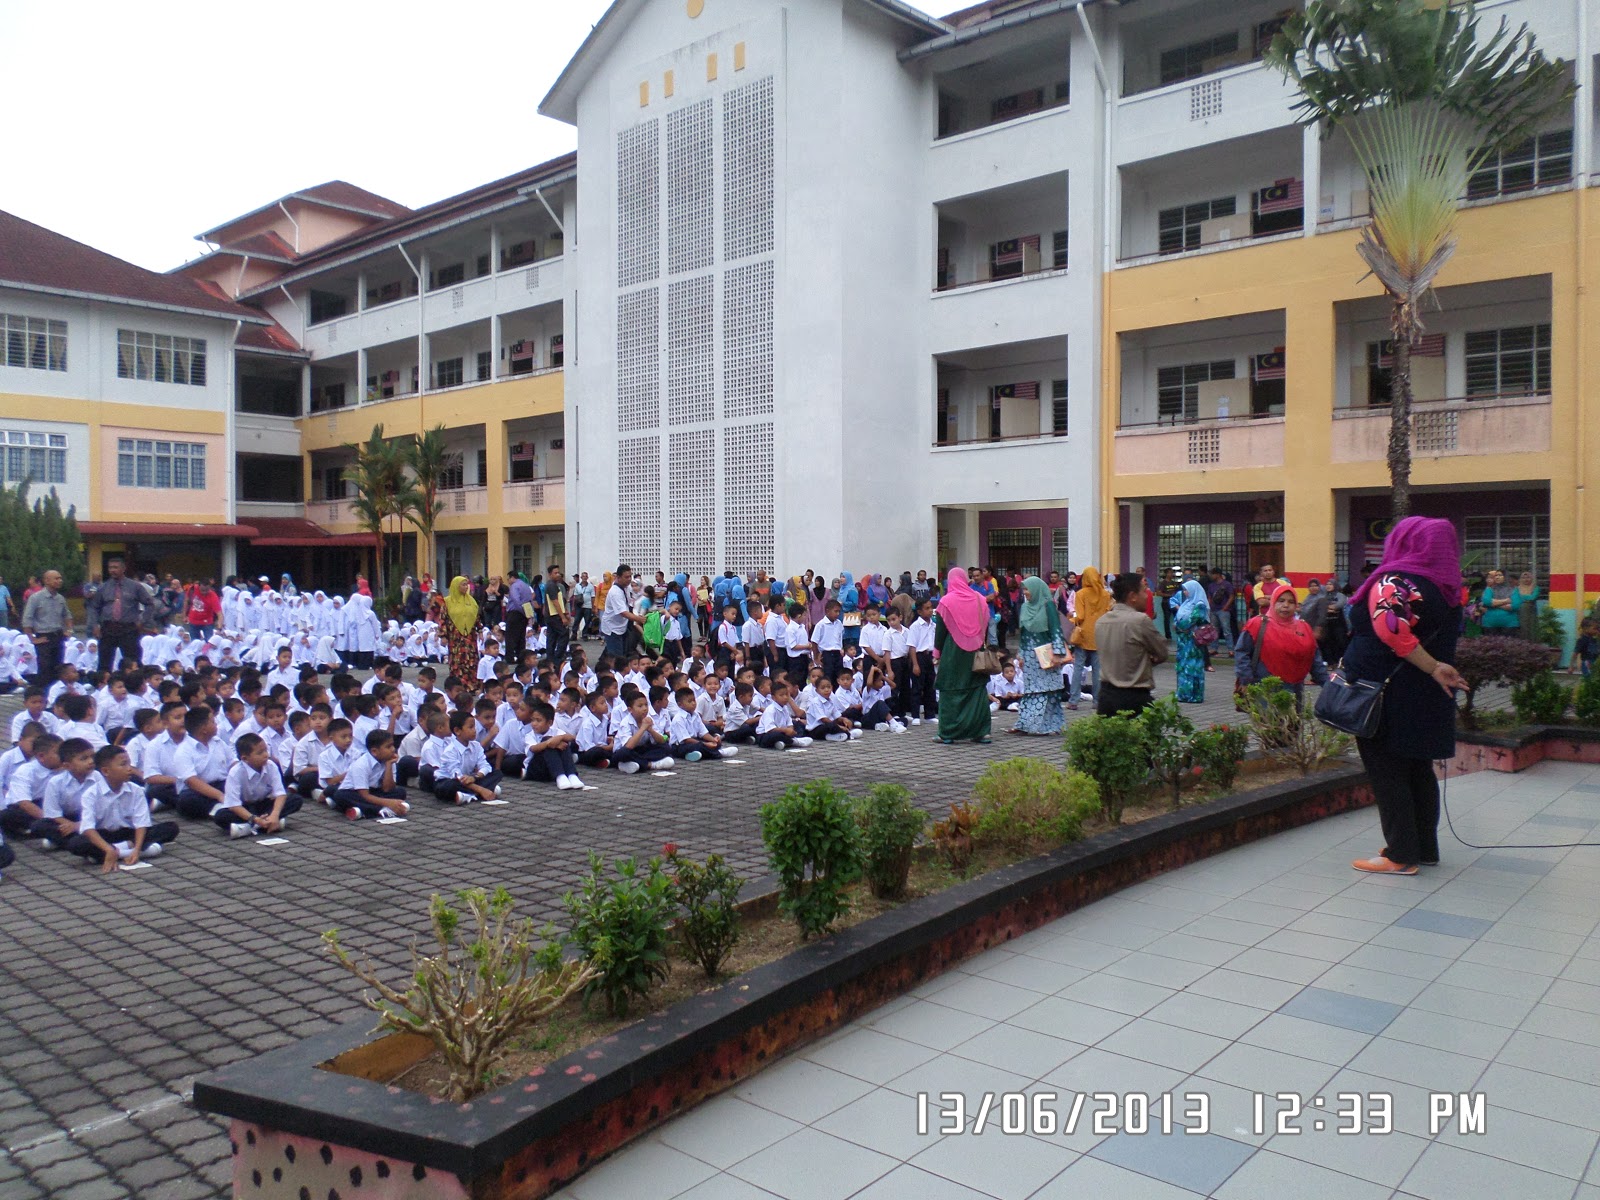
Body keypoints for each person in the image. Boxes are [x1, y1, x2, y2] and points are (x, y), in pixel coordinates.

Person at [1343, 516, 1469, 876]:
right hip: (1427, 696)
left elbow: (1391, 627)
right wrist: (1432, 670)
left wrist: (1430, 666)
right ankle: (1424, 848)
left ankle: (1400, 854)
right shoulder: (1447, 589)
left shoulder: (1395, 580)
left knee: (1388, 771)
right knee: (1418, 769)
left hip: (1387, 695)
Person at [1234, 581, 1331, 703]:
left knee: (1292, 721)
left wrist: (1328, 686)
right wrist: (1246, 679)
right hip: (1265, 687)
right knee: (1269, 721)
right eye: (1281, 601)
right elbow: (1242, 652)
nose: (1286, 605)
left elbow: (1314, 658)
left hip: (1295, 688)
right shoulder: (1257, 624)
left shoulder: (1304, 628)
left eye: (1291, 602)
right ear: (1273, 602)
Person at [1096, 573, 1170, 718]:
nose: (1147, 595)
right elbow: (1162, 652)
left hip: (1106, 696)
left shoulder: (1101, 621)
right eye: (1143, 591)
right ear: (1132, 596)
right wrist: (1146, 659)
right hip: (1134, 696)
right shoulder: (1140, 620)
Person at [933, 567, 992, 745]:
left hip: (953, 652)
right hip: (976, 651)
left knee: (950, 689)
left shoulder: (946, 602)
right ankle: (981, 733)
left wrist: (937, 653)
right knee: (976, 690)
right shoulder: (979, 599)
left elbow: (941, 631)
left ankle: (948, 733)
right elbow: (986, 624)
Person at [1012, 576, 1070, 736]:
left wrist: (1059, 653)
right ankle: (1027, 723)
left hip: (1046, 653)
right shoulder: (1025, 607)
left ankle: (1048, 725)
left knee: (1047, 690)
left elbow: (1055, 629)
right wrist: (1021, 654)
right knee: (1031, 690)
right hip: (1030, 655)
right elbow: (1023, 633)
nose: (1025, 592)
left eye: (1027, 589)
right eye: (1023, 589)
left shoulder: (1048, 605)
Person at [1067, 566, 1111, 710]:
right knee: (1098, 669)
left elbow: (1079, 616)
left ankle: (1073, 700)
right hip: (1100, 634)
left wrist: (1069, 621)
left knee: (1078, 668)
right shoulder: (1105, 594)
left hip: (1083, 635)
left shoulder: (1081, 593)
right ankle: (1097, 701)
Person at [21, 569, 71, 686]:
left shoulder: (60, 598)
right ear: (46, 581)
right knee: (45, 668)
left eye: (60, 578)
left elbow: (67, 615)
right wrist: (32, 638)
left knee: (59, 667)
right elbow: (27, 619)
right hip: (44, 637)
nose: (60, 581)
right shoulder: (36, 598)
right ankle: (43, 695)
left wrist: (69, 630)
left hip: (58, 636)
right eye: (56, 578)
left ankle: (56, 695)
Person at [1170, 579, 1211, 703]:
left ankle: (1194, 694)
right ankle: (1183, 693)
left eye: (1186, 590)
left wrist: (1180, 626)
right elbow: (1178, 617)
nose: (1185, 592)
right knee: (1182, 666)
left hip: (1193, 640)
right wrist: (1177, 624)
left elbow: (1194, 619)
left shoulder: (1200, 604)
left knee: (1193, 666)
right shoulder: (1186, 603)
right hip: (1183, 640)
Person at [439, 576, 482, 682]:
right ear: (456, 586)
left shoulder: (471, 601)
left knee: (471, 659)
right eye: (463, 584)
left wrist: (480, 629)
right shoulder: (447, 602)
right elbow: (443, 619)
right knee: (458, 660)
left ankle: (472, 684)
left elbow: (476, 616)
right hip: (455, 637)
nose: (466, 587)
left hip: (470, 636)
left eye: (466, 584)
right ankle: (458, 685)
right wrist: (443, 635)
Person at [504, 573, 534, 666]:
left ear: (513, 577)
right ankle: (521, 656)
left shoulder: (514, 586)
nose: (508, 582)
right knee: (521, 636)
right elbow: (530, 600)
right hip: (524, 613)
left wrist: (522, 610)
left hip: (515, 613)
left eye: (508, 579)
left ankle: (510, 657)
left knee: (510, 636)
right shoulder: (526, 586)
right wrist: (528, 613)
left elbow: (516, 600)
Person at [1512, 570, 1541, 641]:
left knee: (1531, 628)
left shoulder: (1535, 588)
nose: (1526, 579)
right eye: (1523, 578)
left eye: (1528, 577)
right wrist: (1526, 597)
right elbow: (1515, 599)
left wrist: (1522, 597)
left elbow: (1533, 597)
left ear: (1532, 579)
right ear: (1520, 579)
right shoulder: (1517, 588)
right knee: (1522, 628)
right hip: (1519, 612)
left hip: (1531, 611)